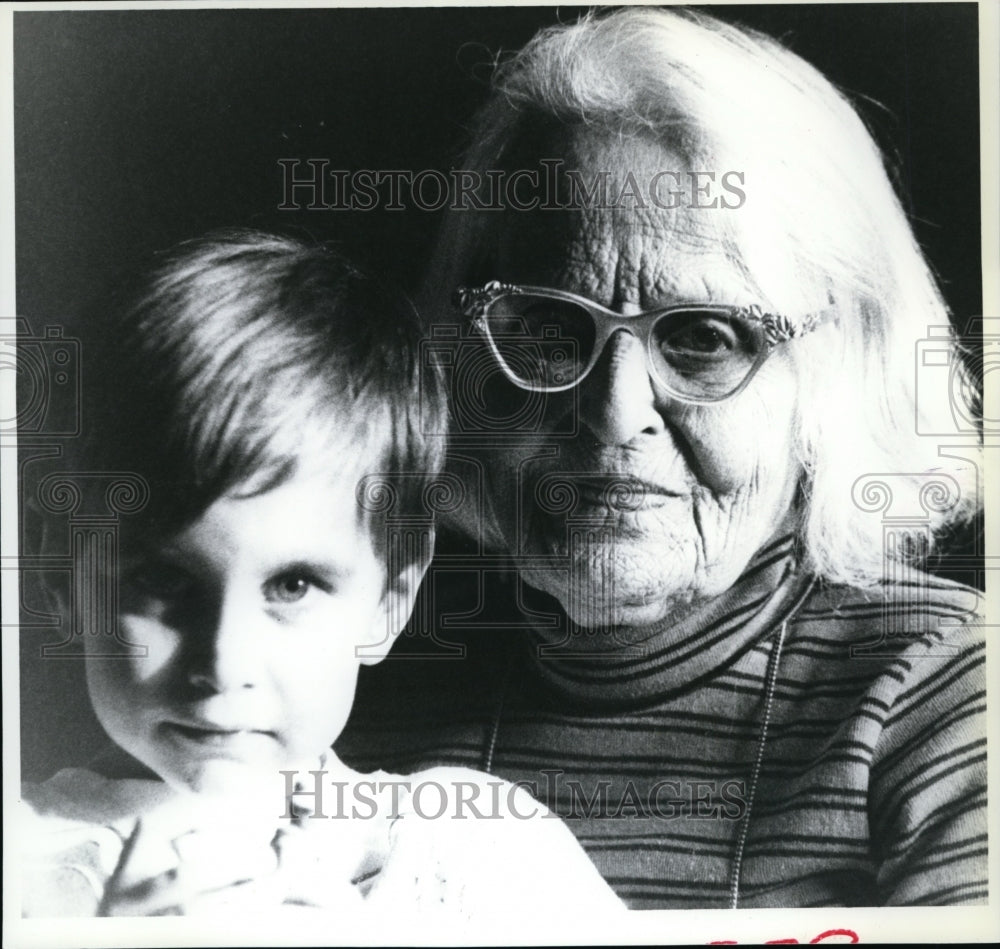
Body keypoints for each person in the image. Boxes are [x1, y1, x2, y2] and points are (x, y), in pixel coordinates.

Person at [337, 8, 987, 908]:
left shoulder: (947, 691)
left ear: (837, 371)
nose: (614, 414)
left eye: (703, 338)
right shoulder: (337, 657)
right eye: (550, 328)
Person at [19, 230, 624, 919]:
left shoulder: (481, 852)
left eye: (293, 585)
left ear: (391, 600)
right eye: (162, 580)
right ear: (62, 573)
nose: (225, 664)